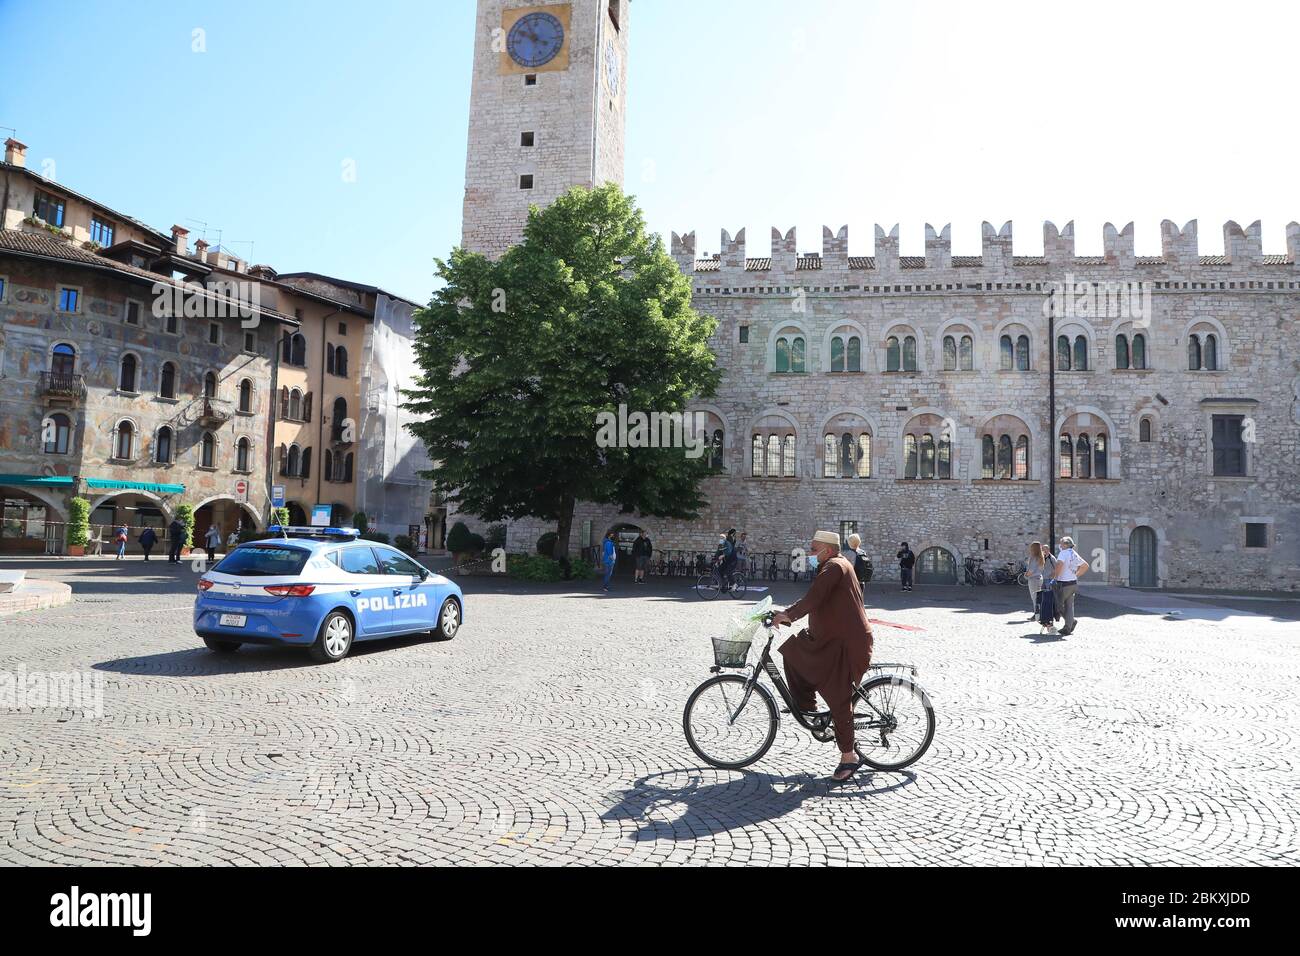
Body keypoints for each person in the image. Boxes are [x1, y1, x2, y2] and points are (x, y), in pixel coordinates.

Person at [771, 530, 874, 783]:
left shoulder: (834, 567)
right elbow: (815, 598)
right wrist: (786, 612)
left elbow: (814, 598)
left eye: (814, 549)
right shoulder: (832, 566)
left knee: (839, 698)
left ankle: (849, 757)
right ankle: (807, 707)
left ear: (827, 550)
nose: (810, 554)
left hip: (845, 644)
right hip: (829, 639)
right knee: (793, 652)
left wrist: (789, 615)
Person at [1052, 536, 1089, 636]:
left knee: (1057, 604)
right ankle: (1068, 627)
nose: (1060, 545)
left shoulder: (1063, 553)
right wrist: (1076, 575)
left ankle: (1071, 621)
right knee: (1069, 606)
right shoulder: (1074, 554)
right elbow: (1085, 565)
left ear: (1065, 544)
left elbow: (1059, 565)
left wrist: (1055, 577)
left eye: (1061, 543)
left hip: (1063, 583)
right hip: (1073, 583)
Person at [1025, 541, 1055, 622]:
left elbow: (1031, 570)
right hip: (1039, 578)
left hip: (1034, 579)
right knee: (1037, 597)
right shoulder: (1041, 557)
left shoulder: (1034, 557)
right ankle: (1037, 614)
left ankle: (1037, 615)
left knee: (1034, 598)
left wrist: (1026, 575)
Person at [846, 533, 871, 603]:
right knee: (860, 600)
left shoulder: (849, 553)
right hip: (862, 580)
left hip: (852, 581)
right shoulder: (863, 552)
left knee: (852, 602)